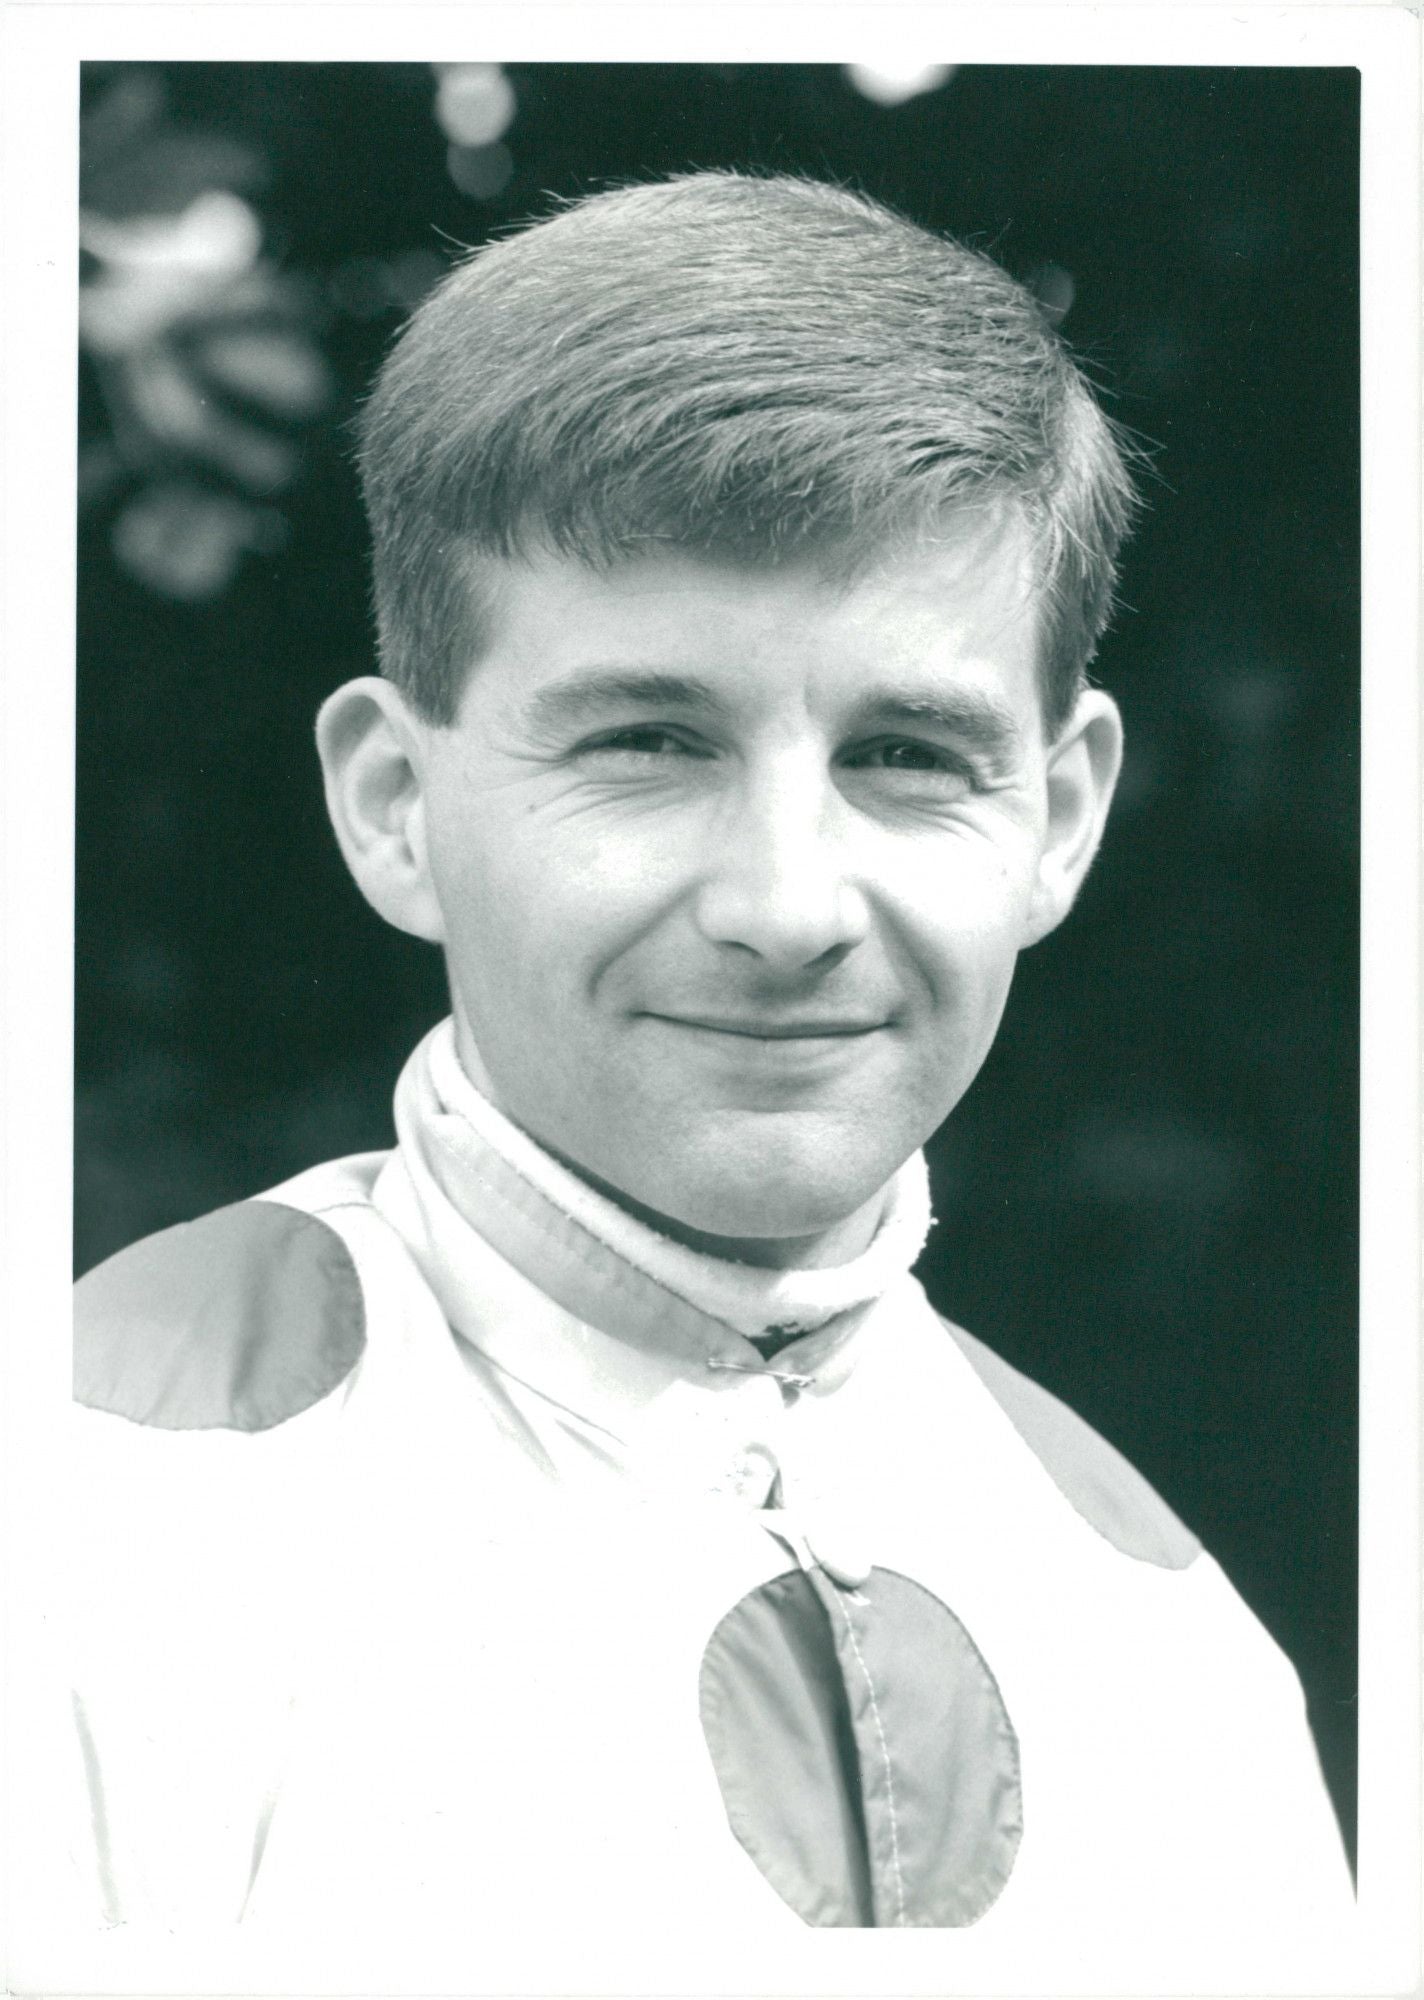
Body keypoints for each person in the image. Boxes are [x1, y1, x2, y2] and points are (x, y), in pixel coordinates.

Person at [55, 172, 1352, 1983]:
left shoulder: (1177, 1648)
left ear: (1057, 818)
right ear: (394, 804)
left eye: (907, 753)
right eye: (648, 742)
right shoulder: (101, 1528)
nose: (785, 907)